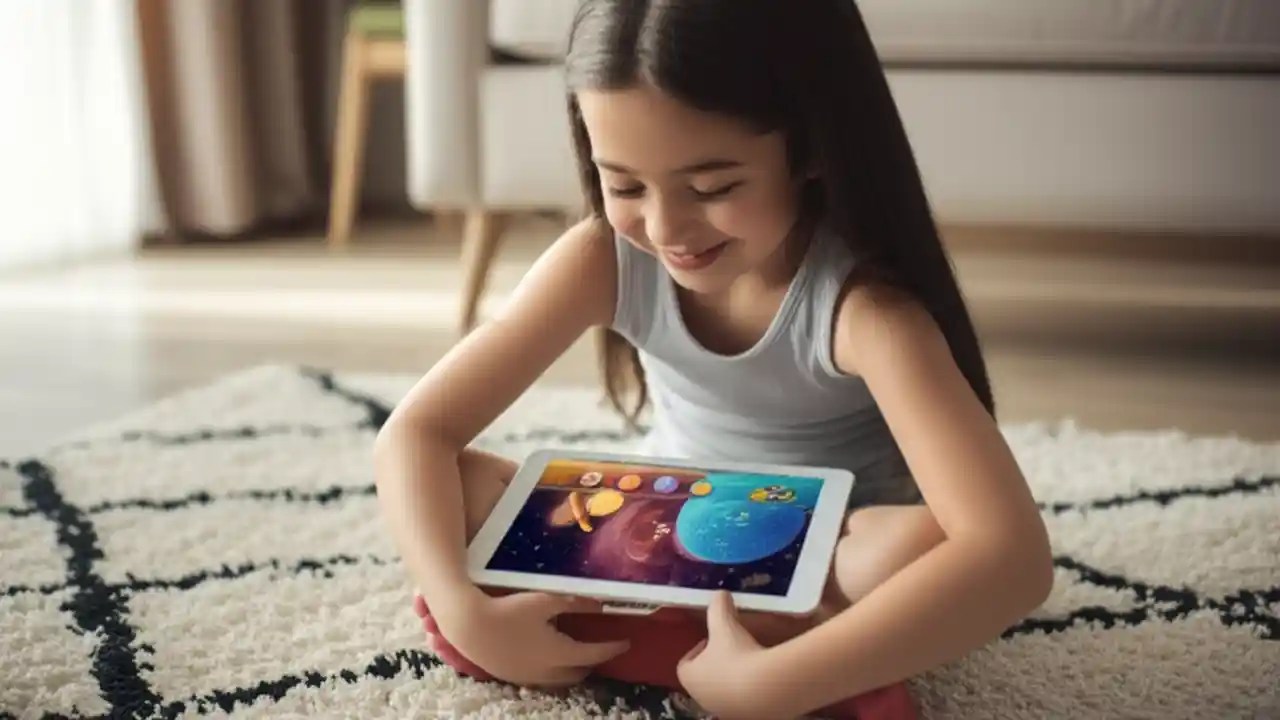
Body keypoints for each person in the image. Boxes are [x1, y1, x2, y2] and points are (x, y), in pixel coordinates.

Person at [374, 1, 1054, 718]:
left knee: (921, 545)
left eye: (713, 188)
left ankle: (723, 648)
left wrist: (772, 689)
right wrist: (458, 607)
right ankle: (766, 648)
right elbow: (416, 433)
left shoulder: (868, 314)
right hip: (652, 535)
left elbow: (1013, 559)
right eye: (626, 185)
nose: (666, 228)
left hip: (821, 558)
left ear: (814, 147)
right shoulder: (601, 259)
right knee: (462, 487)